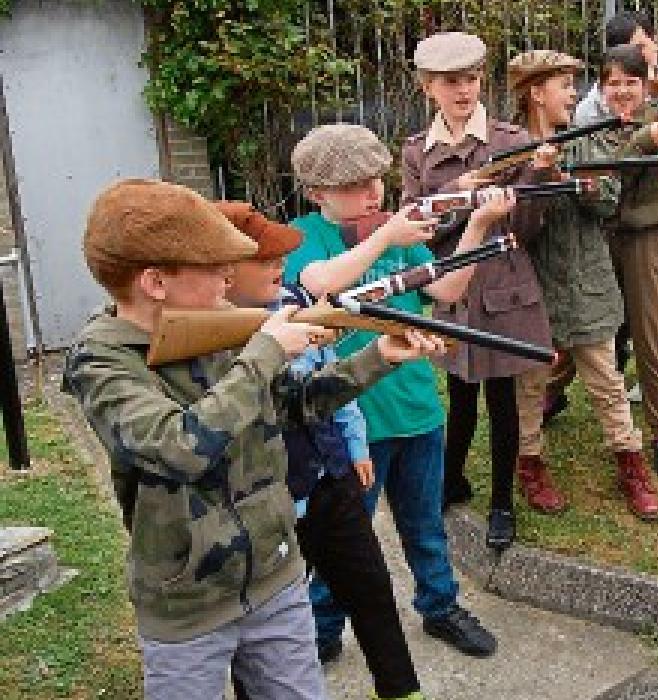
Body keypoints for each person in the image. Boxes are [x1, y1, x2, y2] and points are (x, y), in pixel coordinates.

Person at [62, 178, 442, 699]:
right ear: (154, 281)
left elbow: (297, 405)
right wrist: (264, 350)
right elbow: (179, 447)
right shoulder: (103, 360)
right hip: (187, 601)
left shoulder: (219, 325)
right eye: (211, 263)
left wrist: (377, 358)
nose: (226, 273)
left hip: (274, 574)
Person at [285, 122, 506, 659]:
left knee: (426, 525)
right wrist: (389, 235)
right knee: (347, 537)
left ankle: (440, 606)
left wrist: (476, 227)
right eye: (355, 185)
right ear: (317, 193)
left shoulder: (393, 233)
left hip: (416, 404)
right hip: (350, 418)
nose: (372, 193)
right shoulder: (304, 237)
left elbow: (445, 290)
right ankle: (324, 625)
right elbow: (321, 284)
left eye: (376, 180)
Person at [219, 201, 426, 700]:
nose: (277, 266)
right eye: (263, 259)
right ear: (223, 272)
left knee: (372, 591)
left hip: (330, 475)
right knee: (268, 632)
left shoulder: (291, 299)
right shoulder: (207, 337)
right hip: (268, 499)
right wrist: (273, 347)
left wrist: (355, 443)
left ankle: (402, 690)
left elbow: (322, 381)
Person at [398, 31, 555, 552]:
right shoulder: (417, 152)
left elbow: (528, 229)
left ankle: (502, 503)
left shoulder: (510, 142)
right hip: (453, 286)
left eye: (470, 79)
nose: (462, 91)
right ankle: (452, 481)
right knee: (461, 395)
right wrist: (461, 198)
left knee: (503, 401)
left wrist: (535, 176)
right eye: (449, 82)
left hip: (502, 286)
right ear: (428, 88)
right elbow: (416, 226)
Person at [505, 49, 658, 524]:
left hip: (587, 282)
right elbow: (517, 227)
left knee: (608, 385)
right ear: (537, 93)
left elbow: (610, 201)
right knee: (530, 386)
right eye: (564, 86)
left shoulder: (586, 139)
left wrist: (578, 183)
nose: (574, 94)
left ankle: (630, 466)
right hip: (533, 289)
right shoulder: (512, 148)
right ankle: (529, 465)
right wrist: (537, 174)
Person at [574, 9, 658, 398]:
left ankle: (656, 382)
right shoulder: (591, 108)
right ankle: (585, 382)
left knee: (656, 309)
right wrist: (644, 139)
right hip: (608, 224)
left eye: (640, 47)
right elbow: (603, 170)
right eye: (624, 51)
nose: (624, 86)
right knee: (602, 315)